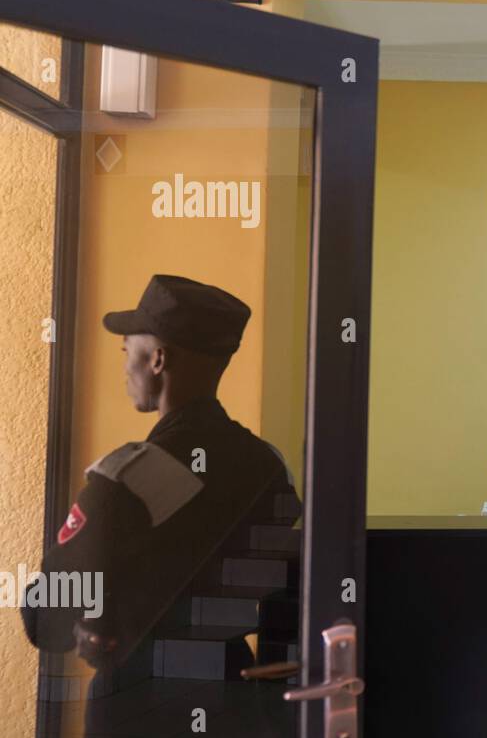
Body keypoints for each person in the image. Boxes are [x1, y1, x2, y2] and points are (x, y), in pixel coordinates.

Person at [22, 274, 301, 704]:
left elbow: (46, 620)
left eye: (126, 351)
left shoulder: (127, 479)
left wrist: (105, 618)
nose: (123, 367)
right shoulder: (268, 467)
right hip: (234, 703)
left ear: (157, 359)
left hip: (139, 713)